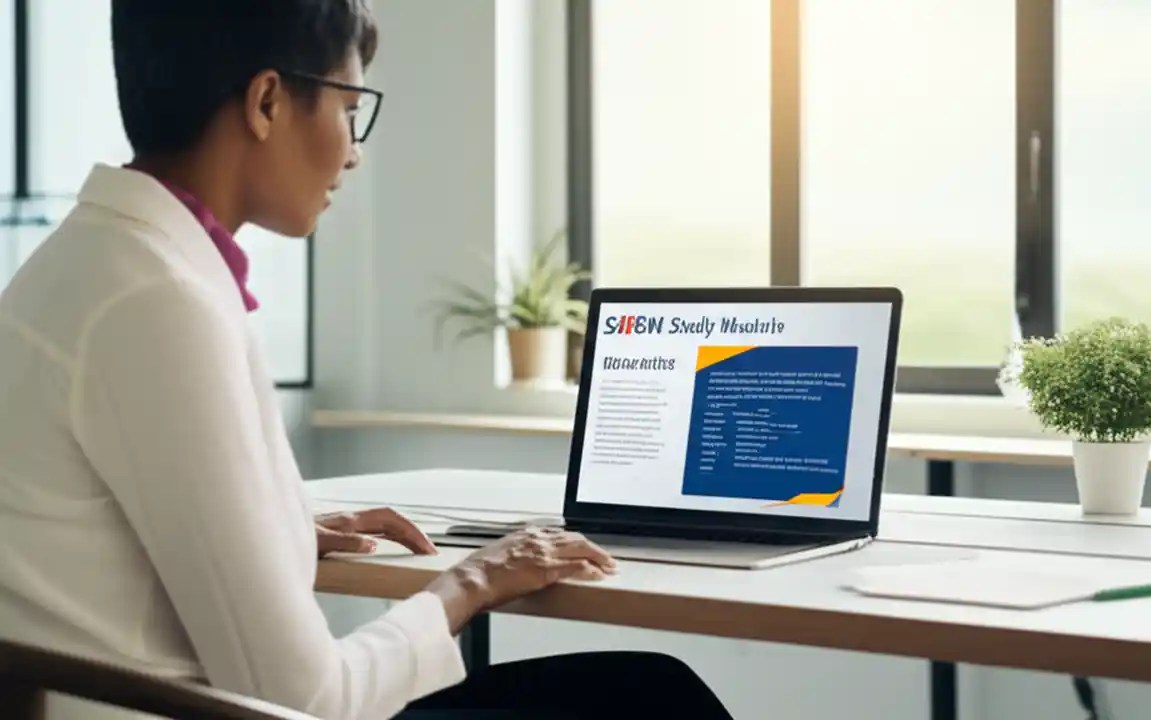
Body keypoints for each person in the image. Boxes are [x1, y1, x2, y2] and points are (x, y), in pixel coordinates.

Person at [0, 1, 732, 719]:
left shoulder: (85, 263)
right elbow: (311, 701)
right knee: (655, 698)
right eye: (350, 109)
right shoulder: (158, 302)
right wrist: (474, 579)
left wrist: (275, 527)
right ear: (266, 102)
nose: (354, 150)